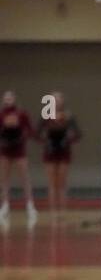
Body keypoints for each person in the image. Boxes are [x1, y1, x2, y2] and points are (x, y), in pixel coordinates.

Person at [37, 91, 80, 217]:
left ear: (63, 101)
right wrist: (44, 140)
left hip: (64, 149)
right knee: (51, 182)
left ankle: (63, 211)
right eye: (54, 99)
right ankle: (53, 211)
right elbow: (37, 133)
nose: (57, 102)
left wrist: (69, 139)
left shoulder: (69, 116)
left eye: (59, 99)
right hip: (50, 150)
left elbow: (78, 133)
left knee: (62, 182)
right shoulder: (45, 115)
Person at [0, 90, 37, 224]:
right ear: (3, 100)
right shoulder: (1, 114)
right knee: (4, 179)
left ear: (14, 99)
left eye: (10, 98)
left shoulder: (22, 114)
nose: (8, 100)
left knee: (25, 178)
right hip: (5, 150)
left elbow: (31, 130)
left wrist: (23, 136)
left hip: (19, 150)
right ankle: (5, 205)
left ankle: (30, 204)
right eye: (6, 98)